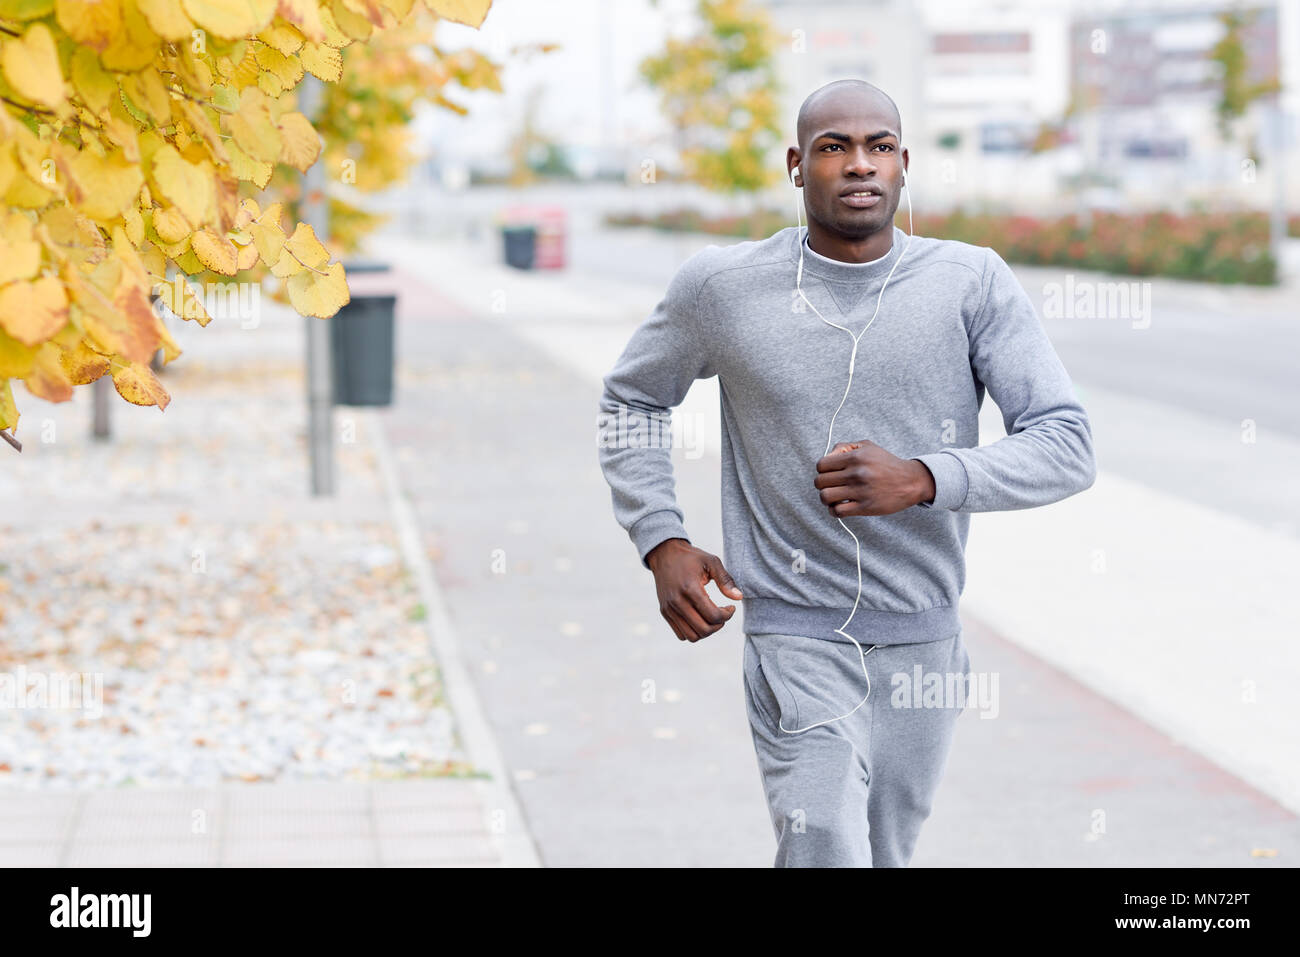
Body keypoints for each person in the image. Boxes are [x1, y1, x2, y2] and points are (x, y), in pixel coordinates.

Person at [595, 78, 1097, 867]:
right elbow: (632, 398)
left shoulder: (971, 282)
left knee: (883, 854)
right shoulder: (722, 288)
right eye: (834, 147)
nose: (859, 164)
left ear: (904, 165)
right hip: (795, 632)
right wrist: (662, 539)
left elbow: (1066, 443)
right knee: (825, 835)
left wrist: (926, 477)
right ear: (798, 166)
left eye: (879, 147)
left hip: (923, 636)